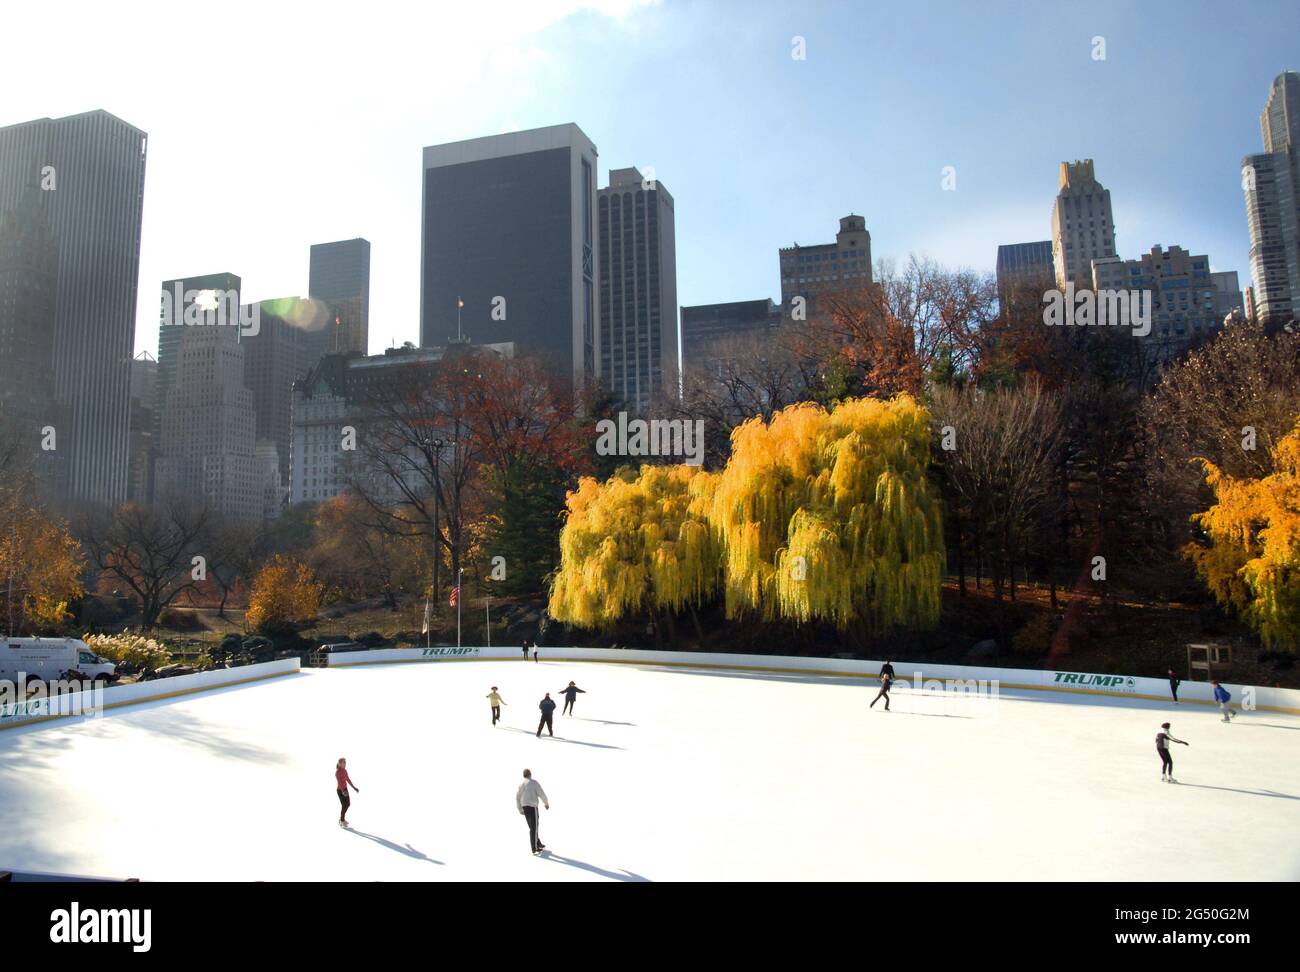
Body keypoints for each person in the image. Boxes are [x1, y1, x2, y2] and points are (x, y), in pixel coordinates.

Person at [516, 768, 550, 855]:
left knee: (532, 827)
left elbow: (517, 797)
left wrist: (520, 809)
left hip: (525, 807)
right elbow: (541, 793)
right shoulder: (533, 783)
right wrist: (546, 803)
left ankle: (537, 842)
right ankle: (534, 848)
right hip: (532, 807)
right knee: (534, 827)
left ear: (524, 775)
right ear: (530, 774)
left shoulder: (521, 784)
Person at [335, 757, 359, 827]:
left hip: (345, 789)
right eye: (343, 762)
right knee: (344, 805)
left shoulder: (345, 771)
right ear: (339, 763)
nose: (345, 763)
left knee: (348, 804)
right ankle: (342, 820)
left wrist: (354, 787)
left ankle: (342, 819)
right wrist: (342, 791)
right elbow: (339, 782)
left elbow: (348, 779)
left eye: (345, 762)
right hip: (340, 790)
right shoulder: (337, 772)